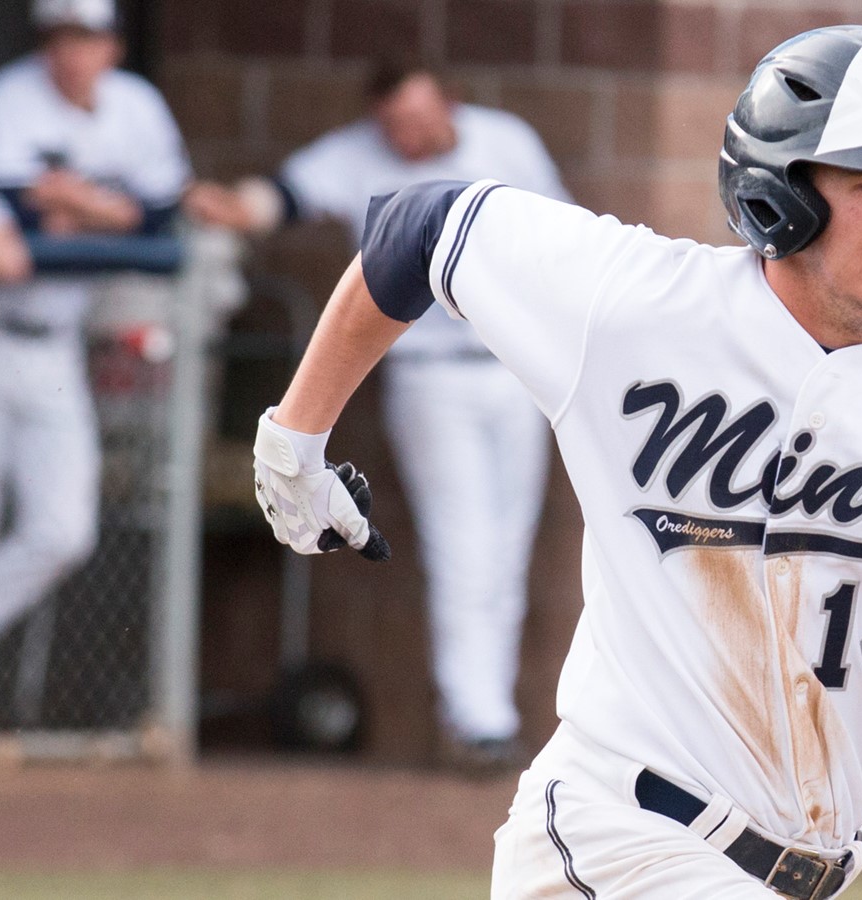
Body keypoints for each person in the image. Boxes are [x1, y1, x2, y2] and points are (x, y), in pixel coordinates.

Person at [251, 25, 862, 900]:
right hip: (620, 838)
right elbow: (419, 229)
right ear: (780, 193)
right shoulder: (638, 304)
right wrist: (294, 442)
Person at [186, 60, 572, 768]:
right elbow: (280, 198)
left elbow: (563, 234)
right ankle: (477, 719)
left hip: (513, 369)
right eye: (395, 124)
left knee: (509, 545)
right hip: (429, 376)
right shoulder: (358, 154)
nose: (408, 135)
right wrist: (223, 204)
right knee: (464, 546)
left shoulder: (504, 139)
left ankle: (489, 710)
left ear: (450, 103)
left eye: (419, 118)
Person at [0, 0, 189, 645]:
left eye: (85, 38)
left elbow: (159, 212)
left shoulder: (134, 106)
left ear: (112, 46)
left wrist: (72, 202)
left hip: (54, 346)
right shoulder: (11, 98)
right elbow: (18, 212)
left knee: (62, 532)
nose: (71, 53)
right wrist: (103, 210)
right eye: (60, 38)